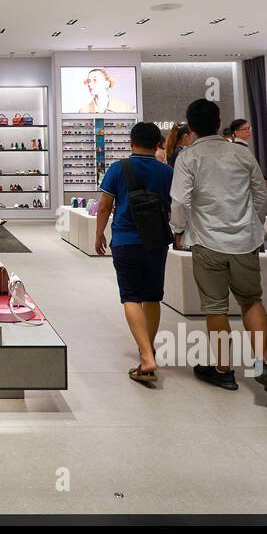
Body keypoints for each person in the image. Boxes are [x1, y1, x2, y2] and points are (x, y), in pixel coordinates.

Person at [170, 98, 267, 394]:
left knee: (215, 307)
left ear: (191, 126)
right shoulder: (241, 154)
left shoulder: (189, 157)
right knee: (252, 299)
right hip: (245, 240)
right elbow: (260, 196)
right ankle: (262, 359)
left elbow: (181, 200)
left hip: (207, 240)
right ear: (219, 120)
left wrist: (178, 230)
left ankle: (223, 369)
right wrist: (254, 226)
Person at [94, 122, 174, 386]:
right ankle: (147, 351)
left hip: (126, 239)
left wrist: (99, 234)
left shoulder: (119, 168)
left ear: (131, 142)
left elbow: (105, 206)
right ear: (158, 144)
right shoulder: (166, 172)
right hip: (156, 241)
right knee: (152, 297)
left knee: (130, 296)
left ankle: (147, 355)